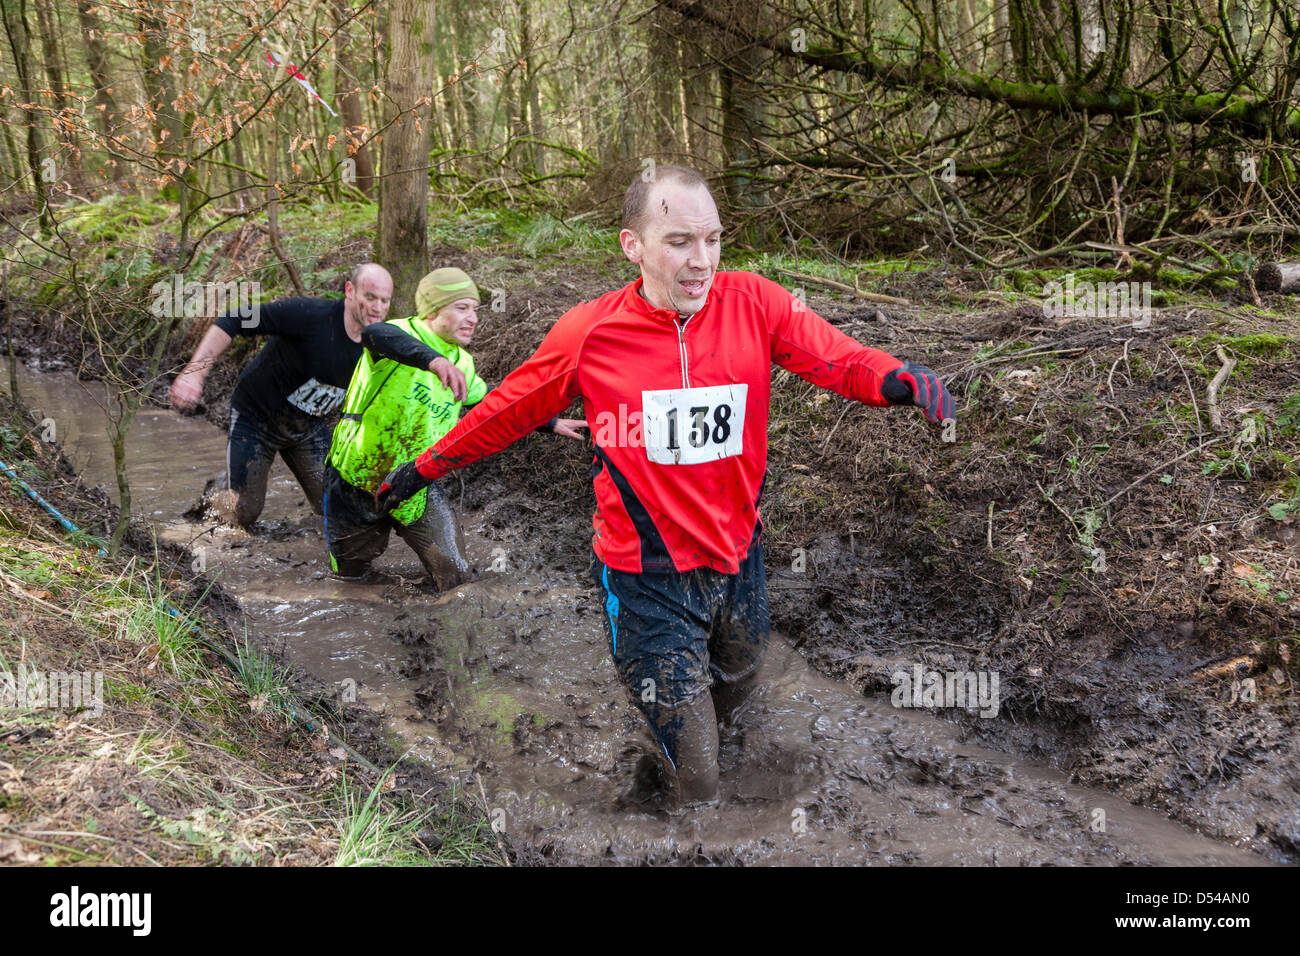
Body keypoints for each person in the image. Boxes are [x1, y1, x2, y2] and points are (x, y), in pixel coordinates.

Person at [374, 166, 955, 807]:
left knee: (733, 694)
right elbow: (509, 408)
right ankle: (669, 809)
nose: (701, 261)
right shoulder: (591, 332)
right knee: (702, 781)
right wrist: (422, 469)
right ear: (634, 246)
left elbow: (835, 355)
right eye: (679, 241)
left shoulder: (755, 303)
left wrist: (893, 378)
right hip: (643, 575)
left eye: (712, 240)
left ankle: (662, 749)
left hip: (739, 562)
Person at [323, 267, 584, 586]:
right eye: (461, 307)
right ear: (433, 309)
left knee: (455, 575)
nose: (473, 318)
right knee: (351, 580)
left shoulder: (463, 362)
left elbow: (490, 401)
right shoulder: (398, 333)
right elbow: (376, 336)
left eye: (475, 309)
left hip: (414, 484)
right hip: (355, 480)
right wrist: (434, 361)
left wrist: (548, 421)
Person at [169, 264, 394, 527]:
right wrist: (194, 373)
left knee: (341, 507)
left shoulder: (381, 342)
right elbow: (234, 319)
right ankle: (221, 489)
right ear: (350, 291)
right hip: (256, 418)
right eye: (370, 297)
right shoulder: (310, 315)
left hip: (307, 428)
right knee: (243, 512)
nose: (377, 308)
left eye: (384, 301)